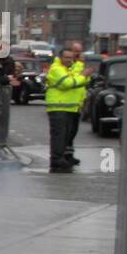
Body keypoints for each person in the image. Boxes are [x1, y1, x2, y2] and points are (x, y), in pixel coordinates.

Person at [45, 42, 89, 173]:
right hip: (58, 107)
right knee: (59, 135)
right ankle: (56, 160)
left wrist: (81, 71)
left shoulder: (70, 68)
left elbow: (81, 81)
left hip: (71, 107)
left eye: (72, 57)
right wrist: (83, 74)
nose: (70, 59)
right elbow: (67, 83)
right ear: (61, 57)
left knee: (67, 135)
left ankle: (64, 157)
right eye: (67, 57)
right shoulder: (56, 68)